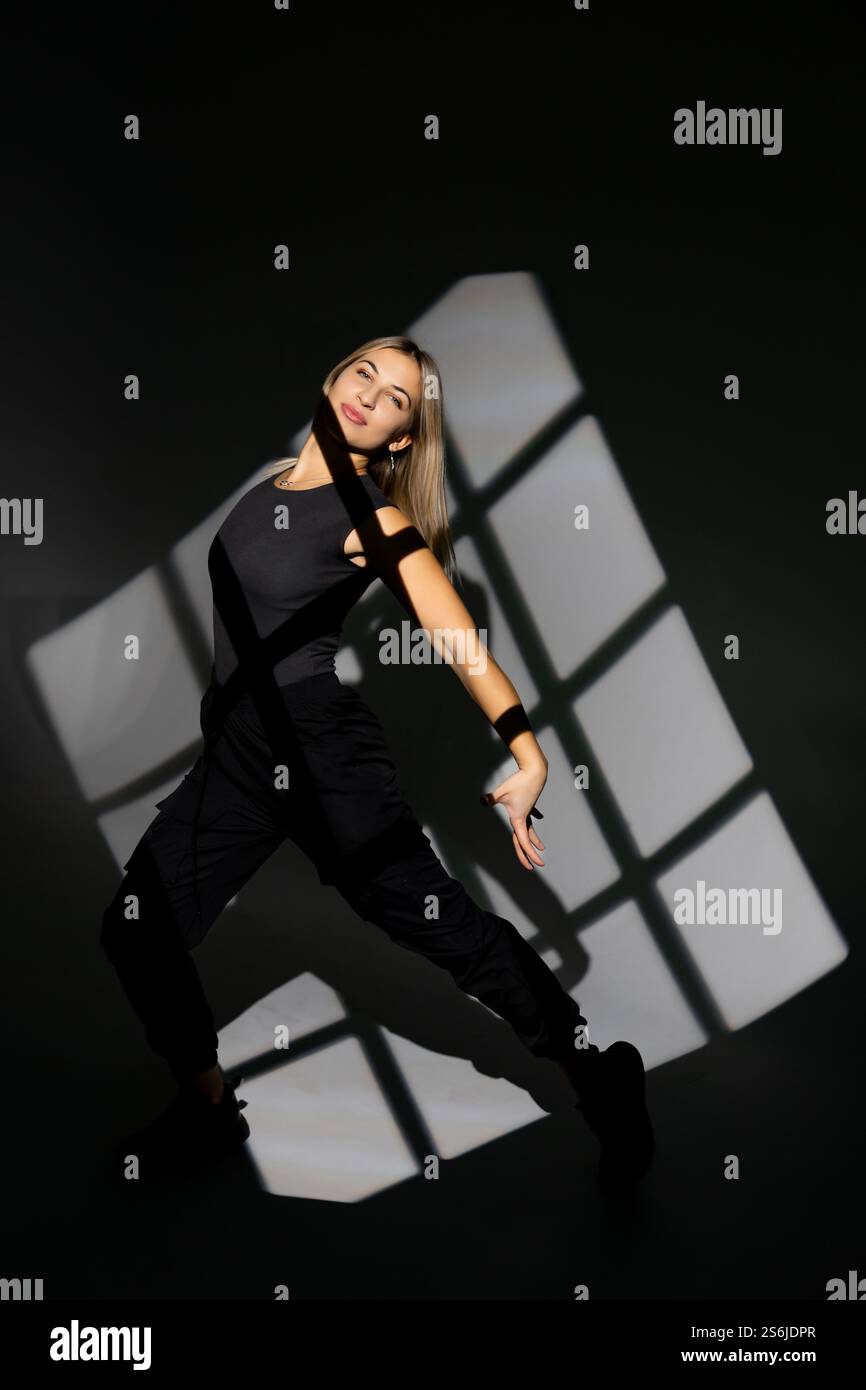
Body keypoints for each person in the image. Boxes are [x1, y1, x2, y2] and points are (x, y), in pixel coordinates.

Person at [99, 335, 654, 1194]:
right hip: (243, 767)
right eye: (365, 372)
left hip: (328, 769)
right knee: (137, 927)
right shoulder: (271, 485)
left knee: (449, 935)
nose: (371, 394)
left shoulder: (374, 520)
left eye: (396, 397)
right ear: (334, 375)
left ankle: (595, 1069)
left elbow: (456, 638)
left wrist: (527, 749)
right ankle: (209, 1111)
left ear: (401, 437)